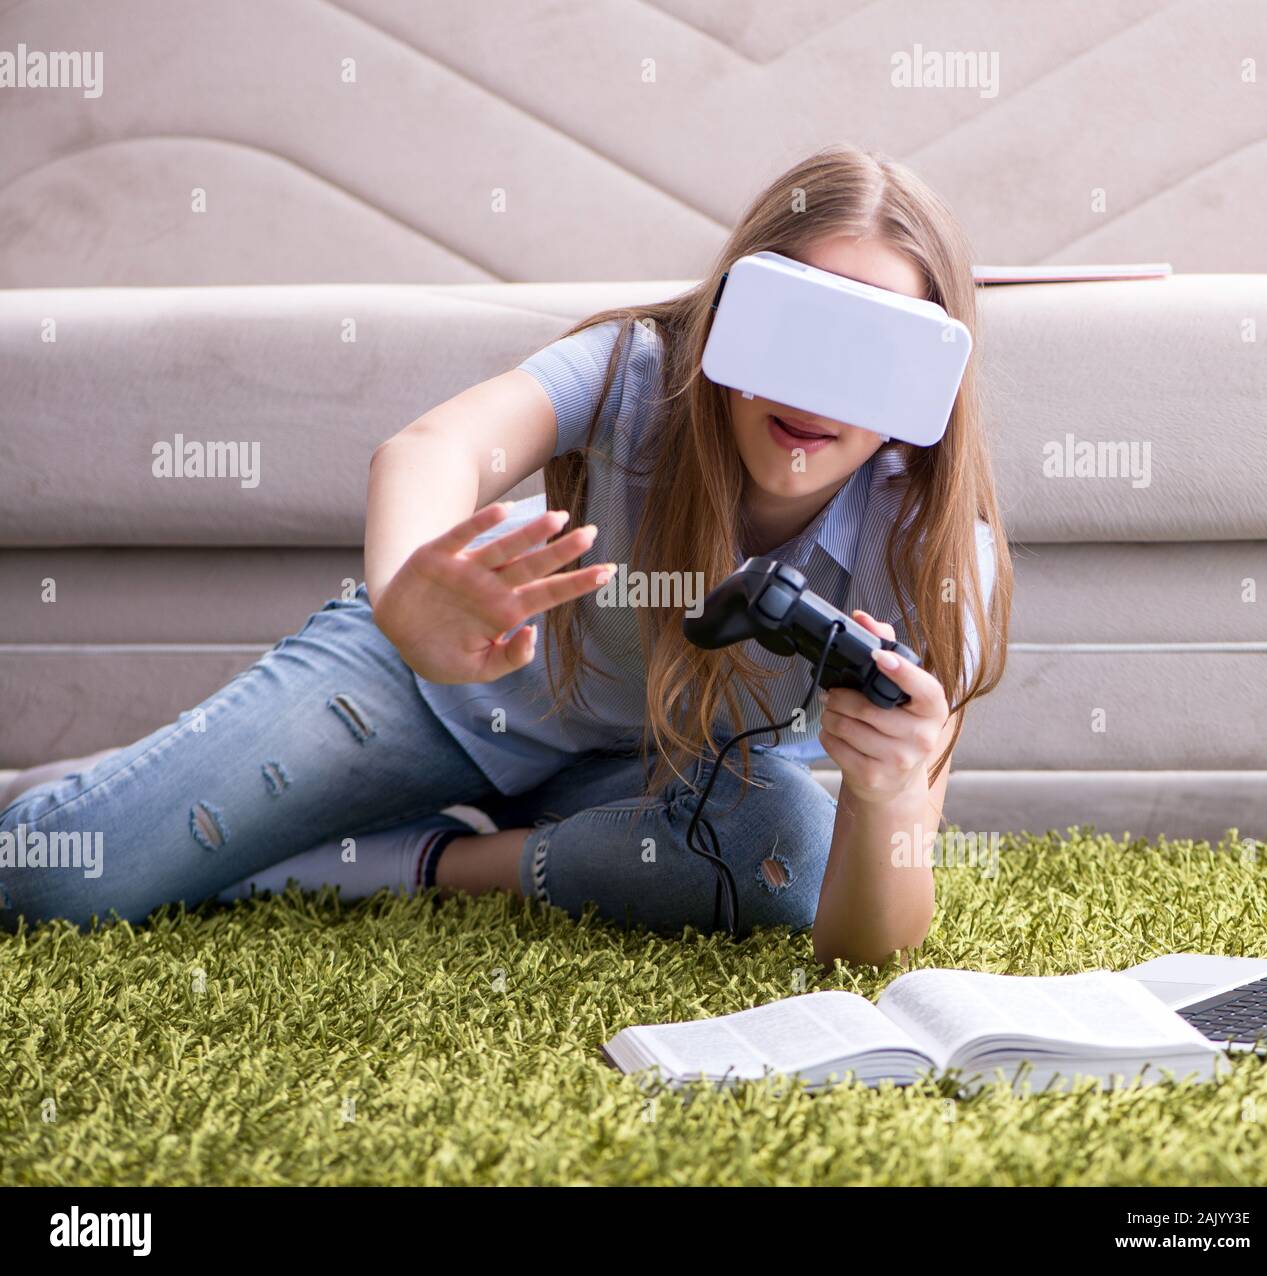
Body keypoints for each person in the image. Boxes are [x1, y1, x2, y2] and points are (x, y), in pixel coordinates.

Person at [0, 144, 1010, 969]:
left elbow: (866, 947)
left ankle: (435, 860)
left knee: (787, 850)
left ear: (928, 392)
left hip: (633, 788)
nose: (820, 396)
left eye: (872, 355)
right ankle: (163, 798)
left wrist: (887, 797)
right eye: (799, 326)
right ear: (729, 314)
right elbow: (433, 448)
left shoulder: (936, 557)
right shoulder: (637, 370)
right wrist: (406, 595)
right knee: (48, 877)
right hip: (436, 686)